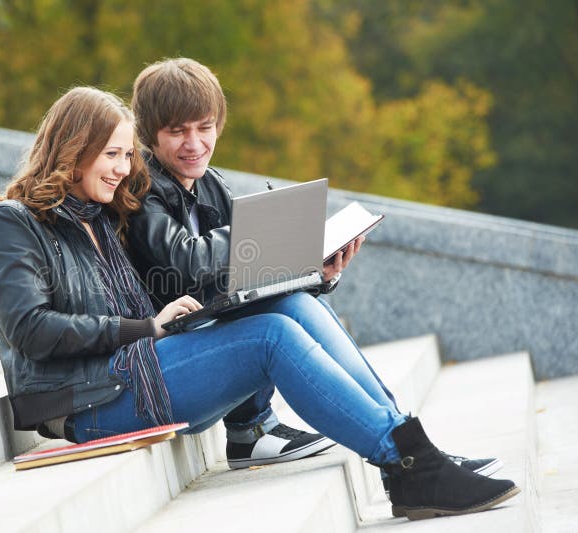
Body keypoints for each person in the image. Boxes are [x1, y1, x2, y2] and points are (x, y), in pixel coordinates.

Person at [0, 86, 519, 520]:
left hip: (132, 370)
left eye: (126, 155)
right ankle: (408, 464)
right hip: (89, 401)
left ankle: (412, 446)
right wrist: (144, 327)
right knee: (270, 337)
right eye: (111, 155)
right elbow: (30, 330)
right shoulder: (13, 225)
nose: (123, 169)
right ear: (72, 150)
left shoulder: (100, 215)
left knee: (287, 309)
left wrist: (308, 276)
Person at [126, 59, 504, 484]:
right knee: (280, 321)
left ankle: (409, 443)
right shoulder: (141, 189)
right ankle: (400, 450)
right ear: (149, 134)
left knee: (296, 302)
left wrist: (316, 273)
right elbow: (185, 264)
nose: (194, 143)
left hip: (209, 334)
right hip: (169, 357)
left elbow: (246, 274)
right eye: (177, 131)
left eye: (204, 127)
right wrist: (262, 231)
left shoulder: (209, 184)